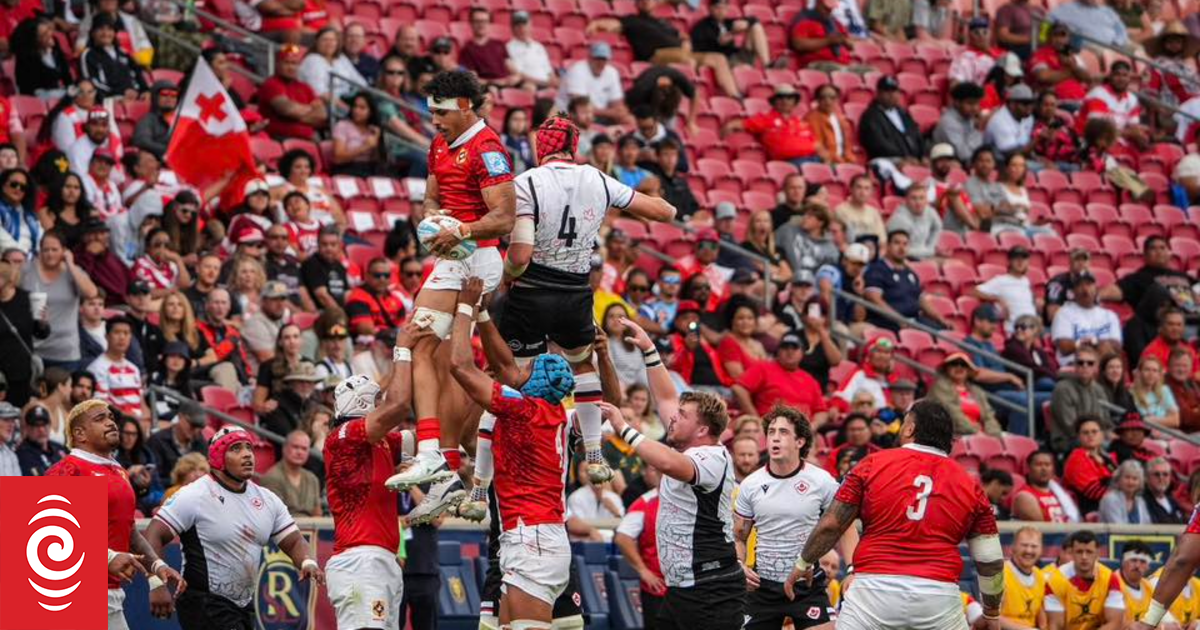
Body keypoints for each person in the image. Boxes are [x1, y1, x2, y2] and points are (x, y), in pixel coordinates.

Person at [496, 114, 676, 486]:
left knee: (519, 372)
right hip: (576, 291)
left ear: (539, 147)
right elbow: (660, 211)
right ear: (572, 147)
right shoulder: (595, 177)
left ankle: (517, 445)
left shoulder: (526, 183)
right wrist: (671, 210)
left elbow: (519, 255)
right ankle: (594, 451)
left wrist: (506, 281)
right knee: (583, 366)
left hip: (532, 290)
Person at [385, 71, 517, 516]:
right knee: (434, 358)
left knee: (415, 343)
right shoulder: (440, 145)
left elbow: (504, 218)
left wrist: (460, 228)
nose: (434, 120)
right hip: (450, 259)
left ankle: (431, 455)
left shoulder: (489, 151)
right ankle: (445, 466)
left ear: (465, 105)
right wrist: (432, 225)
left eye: (440, 112)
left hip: (477, 259)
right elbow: (431, 201)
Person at [788, 399, 1005, 629]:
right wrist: (991, 614)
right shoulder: (969, 484)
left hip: (873, 592)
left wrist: (803, 563)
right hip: (937, 596)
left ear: (910, 428)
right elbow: (990, 560)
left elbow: (832, 524)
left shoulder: (872, 464)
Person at [439, 279, 574, 629]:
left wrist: (465, 308)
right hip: (532, 538)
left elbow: (460, 366)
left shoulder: (522, 409)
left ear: (536, 382)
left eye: (528, 370)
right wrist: (485, 314)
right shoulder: (552, 410)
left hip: (533, 540)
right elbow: (507, 367)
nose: (519, 371)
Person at [603, 330, 745, 630]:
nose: (672, 418)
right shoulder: (686, 439)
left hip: (712, 584)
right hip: (684, 586)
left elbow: (668, 462)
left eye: (682, 415)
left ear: (702, 429)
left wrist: (623, 427)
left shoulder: (711, 457)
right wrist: (650, 352)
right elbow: (667, 397)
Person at [143, 425, 323, 629]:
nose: (247, 454)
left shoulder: (267, 499)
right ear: (218, 458)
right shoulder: (195, 494)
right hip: (204, 603)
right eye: (236, 448)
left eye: (249, 447)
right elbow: (153, 534)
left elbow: (294, 541)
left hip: (243, 605)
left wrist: (307, 561)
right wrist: (156, 581)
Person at [47, 400, 184, 629]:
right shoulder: (67, 469)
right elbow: (46, 537)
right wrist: (107, 557)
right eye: (100, 419)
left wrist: (157, 567)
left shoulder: (118, 471)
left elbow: (129, 530)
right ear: (79, 433)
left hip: (111, 592)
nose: (111, 423)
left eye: (110, 417)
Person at [322, 323, 420, 630]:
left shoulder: (380, 441)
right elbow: (400, 403)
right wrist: (403, 349)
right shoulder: (343, 436)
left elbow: (434, 435)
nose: (382, 409)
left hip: (383, 561)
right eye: (376, 403)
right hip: (359, 560)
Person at [734, 406, 857, 630]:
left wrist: (851, 569)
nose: (775, 438)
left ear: (800, 441)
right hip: (763, 587)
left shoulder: (822, 481)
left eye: (783, 432)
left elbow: (845, 525)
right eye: (771, 432)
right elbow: (739, 536)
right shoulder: (750, 485)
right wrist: (739, 564)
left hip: (806, 584)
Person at [733, 332, 829, 425]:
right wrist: (755, 418)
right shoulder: (763, 368)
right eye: (785, 347)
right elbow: (739, 389)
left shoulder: (810, 380)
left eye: (794, 348)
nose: (790, 351)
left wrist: (814, 426)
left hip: (801, 432)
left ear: (802, 353)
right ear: (778, 351)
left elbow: (821, 411)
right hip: (771, 428)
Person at [864, 230, 951, 332]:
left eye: (905, 244)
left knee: (945, 333)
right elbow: (874, 299)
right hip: (887, 322)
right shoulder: (877, 270)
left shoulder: (910, 273)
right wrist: (898, 318)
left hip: (914, 320)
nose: (901, 248)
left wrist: (941, 319)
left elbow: (921, 300)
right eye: (897, 243)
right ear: (887, 246)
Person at [615, 465, 666, 630]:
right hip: (658, 588)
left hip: (688, 587)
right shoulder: (644, 503)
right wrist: (643, 571)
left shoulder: (691, 501)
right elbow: (623, 537)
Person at [1045, 530, 1125, 629]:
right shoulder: (1055, 581)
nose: (1084, 557)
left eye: (1089, 552)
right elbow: (1055, 626)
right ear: (1072, 553)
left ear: (1097, 553)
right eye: (1079, 552)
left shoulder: (1110, 578)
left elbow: (1114, 623)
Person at [726, 84, 821, 165]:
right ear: (774, 101)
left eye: (789, 98)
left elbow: (817, 144)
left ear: (794, 102)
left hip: (814, 159)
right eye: (781, 97)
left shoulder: (800, 121)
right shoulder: (766, 118)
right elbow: (732, 125)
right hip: (789, 163)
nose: (785, 101)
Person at [1051, 273, 1122, 368]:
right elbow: (1064, 347)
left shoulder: (1110, 315)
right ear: (1073, 291)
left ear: (1096, 289)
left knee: (1106, 350)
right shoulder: (1064, 313)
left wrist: (1094, 342)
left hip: (1105, 367)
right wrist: (1086, 344)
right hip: (1075, 366)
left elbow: (1117, 346)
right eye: (1079, 285)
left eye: (1088, 284)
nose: (1085, 289)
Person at [257, 44, 328, 140]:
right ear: (277, 64)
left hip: (307, 139)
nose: (291, 67)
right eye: (287, 63)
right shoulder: (271, 84)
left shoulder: (305, 87)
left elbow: (322, 115)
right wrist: (311, 110)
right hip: (279, 138)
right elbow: (287, 109)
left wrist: (295, 116)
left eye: (295, 63)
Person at [929, 353, 1003, 436]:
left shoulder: (977, 391)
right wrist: (975, 432)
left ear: (969, 370)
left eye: (963, 365)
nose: (959, 367)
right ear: (947, 368)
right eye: (954, 363)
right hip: (952, 435)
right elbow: (953, 414)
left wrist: (992, 434)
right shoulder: (940, 387)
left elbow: (989, 416)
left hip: (980, 435)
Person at [87, 316, 145, 420]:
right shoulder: (97, 368)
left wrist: (148, 419)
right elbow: (103, 405)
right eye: (117, 332)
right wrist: (132, 419)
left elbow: (142, 403)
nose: (122, 337)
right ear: (107, 336)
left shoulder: (134, 369)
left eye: (126, 333)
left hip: (138, 423)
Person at [859, 76, 926, 165]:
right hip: (886, 160)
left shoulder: (903, 114)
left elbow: (916, 135)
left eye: (894, 91)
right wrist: (903, 157)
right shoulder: (871, 116)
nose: (891, 95)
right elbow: (879, 144)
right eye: (887, 91)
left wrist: (923, 156)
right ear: (878, 93)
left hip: (912, 159)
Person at [79, 14, 148, 100]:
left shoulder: (123, 53)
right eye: (101, 29)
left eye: (110, 29)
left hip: (134, 97)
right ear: (93, 33)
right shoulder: (88, 54)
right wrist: (121, 93)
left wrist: (145, 90)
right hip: (108, 100)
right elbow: (91, 82)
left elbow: (137, 73)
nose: (106, 33)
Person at [556, 43, 629, 124]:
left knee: (629, 120)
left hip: (600, 115)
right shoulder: (577, 70)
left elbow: (617, 102)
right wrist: (611, 113)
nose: (600, 62)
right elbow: (581, 106)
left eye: (603, 59)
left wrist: (620, 112)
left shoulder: (612, 72)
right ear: (590, 58)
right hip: (572, 116)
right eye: (597, 58)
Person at [973, 246, 1037, 334]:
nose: (1020, 262)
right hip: (1015, 330)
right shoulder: (1001, 280)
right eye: (1016, 258)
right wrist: (997, 299)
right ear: (1010, 261)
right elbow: (976, 291)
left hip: (1033, 328)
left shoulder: (1026, 281)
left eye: (1024, 258)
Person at [258, 429, 322, 517]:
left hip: (311, 529)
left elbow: (317, 514)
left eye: (304, 449)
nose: (299, 452)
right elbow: (274, 516)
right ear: (284, 448)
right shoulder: (272, 477)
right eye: (295, 447)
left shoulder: (312, 479)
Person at [145, 400, 208, 488]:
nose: (196, 431)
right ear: (180, 417)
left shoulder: (201, 443)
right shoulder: (157, 441)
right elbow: (153, 477)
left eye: (199, 427)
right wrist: (180, 480)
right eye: (192, 425)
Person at [690, 0, 771, 68]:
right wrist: (718, 43)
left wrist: (747, 23)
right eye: (718, 7)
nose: (721, 11)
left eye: (724, 7)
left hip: (737, 55)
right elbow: (698, 50)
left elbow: (754, 20)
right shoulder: (702, 26)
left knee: (756, 27)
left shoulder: (728, 23)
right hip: (724, 61)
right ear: (710, 8)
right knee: (746, 68)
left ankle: (767, 64)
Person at [1064, 415, 1118, 514]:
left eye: (1094, 432)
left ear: (1102, 435)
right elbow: (1093, 492)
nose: (1090, 435)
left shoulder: (1107, 457)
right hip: (1090, 511)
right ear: (1079, 437)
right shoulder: (1077, 458)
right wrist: (1123, 496)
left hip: (1111, 506)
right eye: (1085, 432)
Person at [297, 27, 367, 103]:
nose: (329, 43)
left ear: (337, 43)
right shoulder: (312, 60)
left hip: (348, 99)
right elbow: (319, 92)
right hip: (327, 105)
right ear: (317, 42)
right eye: (325, 40)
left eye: (333, 40)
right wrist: (345, 108)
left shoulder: (340, 58)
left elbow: (358, 80)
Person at [1012, 450, 1083, 522]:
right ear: (1028, 468)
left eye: (1047, 465)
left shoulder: (1061, 494)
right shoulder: (1024, 496)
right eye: (1038, 464)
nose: (1044, 469)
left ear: (1053, 469)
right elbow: (1041, 527)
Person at [459, 8, 522, 90]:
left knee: (529, 87)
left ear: (489, 23)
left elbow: (514, 71)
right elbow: (473, 79)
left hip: (506, 86)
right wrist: (493, 82)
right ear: (471, 23)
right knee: (492, 90)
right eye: (477, 21)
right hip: (486, 88)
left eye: (485, 21)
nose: (481, 25)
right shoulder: (467, 49)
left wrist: (515, 78)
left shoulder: (499, 44)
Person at [1000, 527, 1048, 628]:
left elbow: (1042, 618)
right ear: (1013, 548)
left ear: (1041, 550)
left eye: (1034, 546)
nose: (1029, 550)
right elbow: (991, 618)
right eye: (1024, 545)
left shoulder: (1041, 576)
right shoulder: (1000, 574)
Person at [885, 181, 942, 260]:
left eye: (922, 198)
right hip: (904, 259)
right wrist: (929, 251)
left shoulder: (930, 212)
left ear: (926, 200)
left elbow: (938, 227)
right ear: (906, 200)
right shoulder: (899, 219)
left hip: (923, 256)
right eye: (914, 198)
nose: (918, 202)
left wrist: (931, 246)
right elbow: (899, 250)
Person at [933, 82, 986, 164]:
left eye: (977, 103)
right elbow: (964, 155)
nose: (975, 108)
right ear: (957, 103)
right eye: (970, 103)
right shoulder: (948, 123)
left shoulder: (970, 118)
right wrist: (977, 130)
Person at [983, 84, 1036, 160]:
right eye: (1025, 103)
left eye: (1031, 103)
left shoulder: (1028, 117)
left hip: (1019, 157)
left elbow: (1024, 145)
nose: (1029, 107)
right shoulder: (1000, 120)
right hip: (998, 161)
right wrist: (1038, 140)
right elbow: (1011, 154)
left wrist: (1036, 157)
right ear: (1012, 104)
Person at [16, 405, 67, 475]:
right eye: (36, 425)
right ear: (27, 428)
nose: (41, 430)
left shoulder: (60, 448)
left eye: (44, 424)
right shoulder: (23, 454)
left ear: (50, 426)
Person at [1099, 459, 1152, 524]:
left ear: (1140, 482)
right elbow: (1118, 528)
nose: (1130, 482)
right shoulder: (1110, 499)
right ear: (1119, 479)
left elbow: (1147, 526)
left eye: (1135, 478)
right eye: (1127, 477)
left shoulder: (1140, 501)